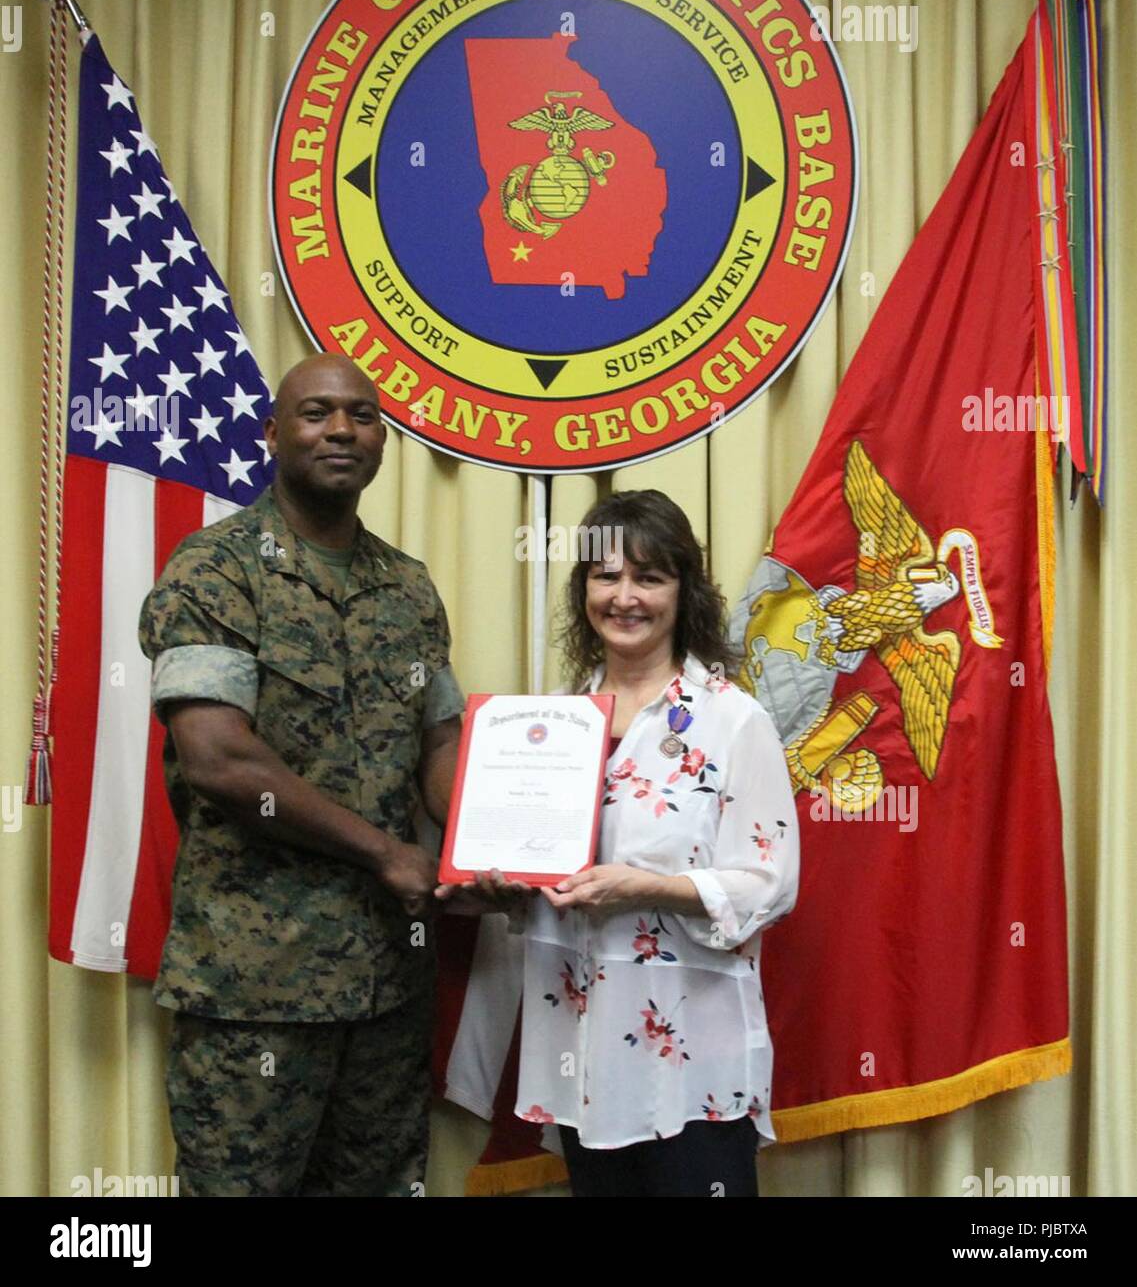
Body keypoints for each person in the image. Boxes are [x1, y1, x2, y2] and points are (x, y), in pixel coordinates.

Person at [138, 352, 463, 1196]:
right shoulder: (214, 571)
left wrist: (478, 848)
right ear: (273, 433)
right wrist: (389, 855)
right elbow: (219, 759)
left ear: (381, 440)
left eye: (361, 415)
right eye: (317, 414)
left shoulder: (410, 588)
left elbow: (440, 743)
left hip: (389, 979)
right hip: (256, 985)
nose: (341, 431)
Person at [441, 490, 799, 1196]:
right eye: (605, 577)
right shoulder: (552, 723)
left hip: (693, 1058)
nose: (624, 596)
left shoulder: (732, 720)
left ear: (683, 591)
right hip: (580, 1050)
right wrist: (497, 885)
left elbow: (769, 883)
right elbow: (541, 873)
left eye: (649, 577)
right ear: (582, 592)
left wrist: (644, 887)